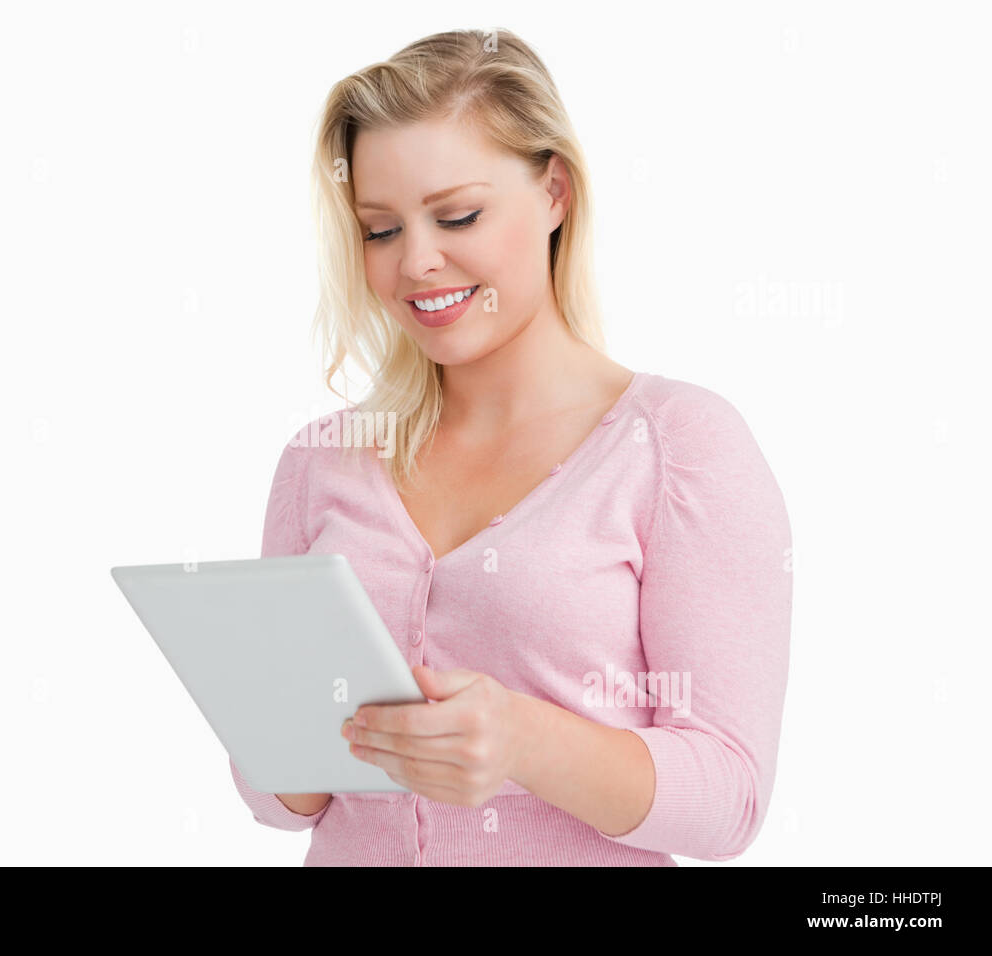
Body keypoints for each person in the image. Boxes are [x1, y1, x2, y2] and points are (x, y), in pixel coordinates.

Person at [230, 27, 792, 866]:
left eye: (458, 215)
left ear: (556, 192)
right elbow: (279, 801)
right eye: (380, 230)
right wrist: (296, 739)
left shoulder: (678, 448)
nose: (418, 262)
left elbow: (728, 802)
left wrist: (521, 739)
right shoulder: (321, 462)